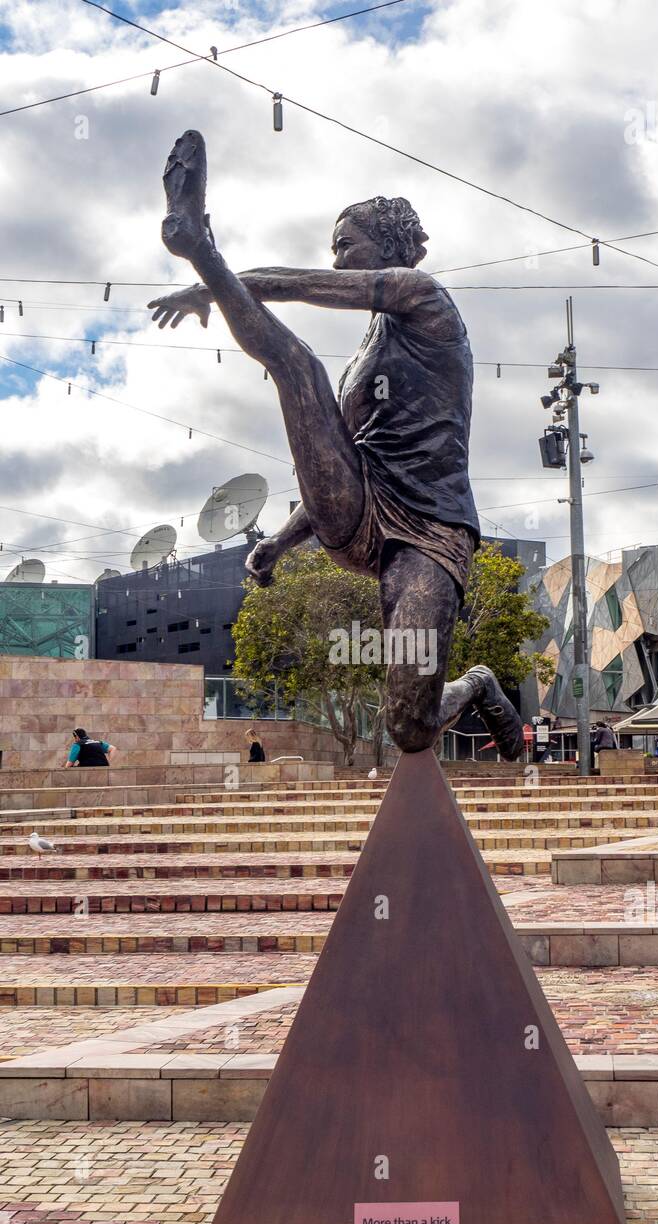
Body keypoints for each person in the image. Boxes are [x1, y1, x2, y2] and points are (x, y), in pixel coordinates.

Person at [147, 130, 523, 762]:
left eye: (347, 246)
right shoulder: (360, 366)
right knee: (296, 367)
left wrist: (210, 286)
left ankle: (478, 683)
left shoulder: (424, 297)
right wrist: (279, 542)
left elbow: (299, 284)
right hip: (359, 513)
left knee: (410, 726)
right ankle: (198, 241)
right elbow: (337, 461)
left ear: (390, 247)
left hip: (430, 532)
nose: (338, 261)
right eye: (334, 250)